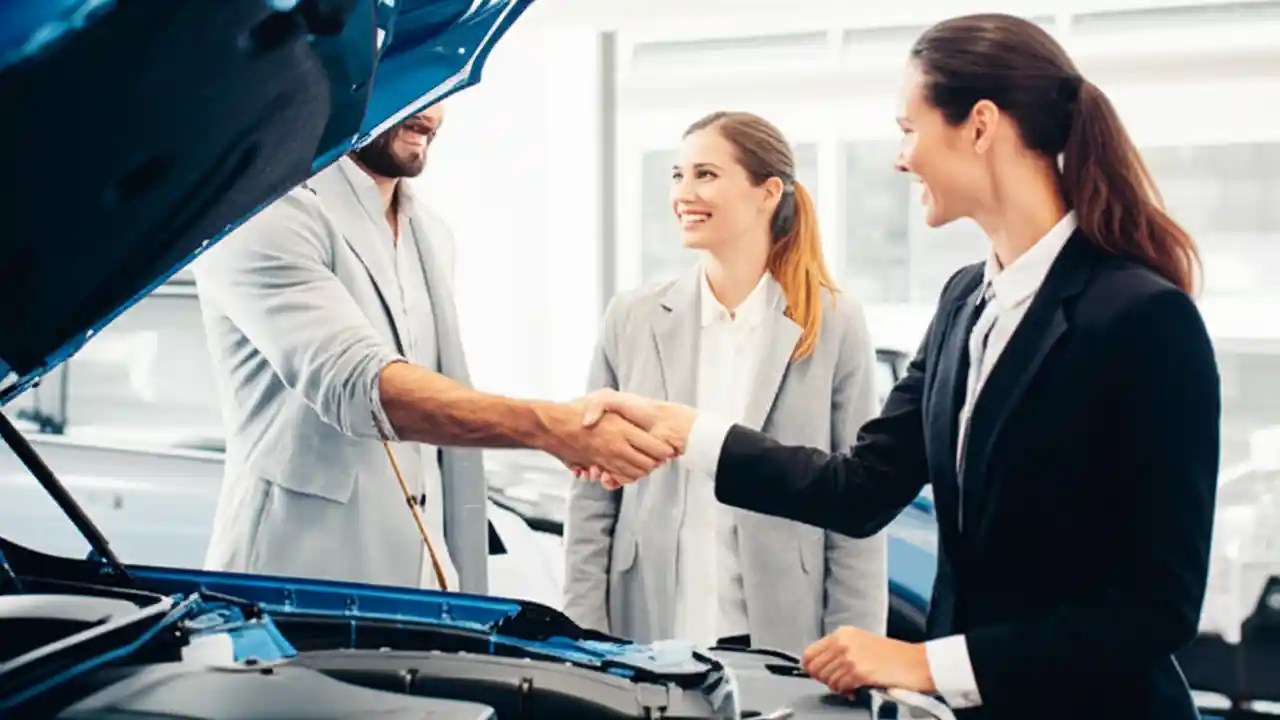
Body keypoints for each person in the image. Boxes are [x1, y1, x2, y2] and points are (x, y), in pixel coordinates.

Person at [575, 13, 1220, 720]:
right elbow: (860, 488)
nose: (900, 157)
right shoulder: (965, 303)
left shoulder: (1142, 318)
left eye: (908, 130)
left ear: (979, 126)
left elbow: (1156, 609)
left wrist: (925, 662)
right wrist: (688, 431)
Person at [194, 102, 674, 595]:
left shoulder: (433, 234)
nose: (430, 112)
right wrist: (553, 427)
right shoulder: (262, 215)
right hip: (295, 579)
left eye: (440, 93)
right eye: (413, 87)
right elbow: (359, 385)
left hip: (424, 576)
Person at [563, 112, 888, 656]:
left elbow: (858, 505)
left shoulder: (833, 323)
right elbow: (592, 494)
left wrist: (855, 646)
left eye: (705, 175)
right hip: (648, 628)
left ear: (767, 193)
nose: (683, 193)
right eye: (676, 175)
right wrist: (583, 632)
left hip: (782, 635)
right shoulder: (632, 317)